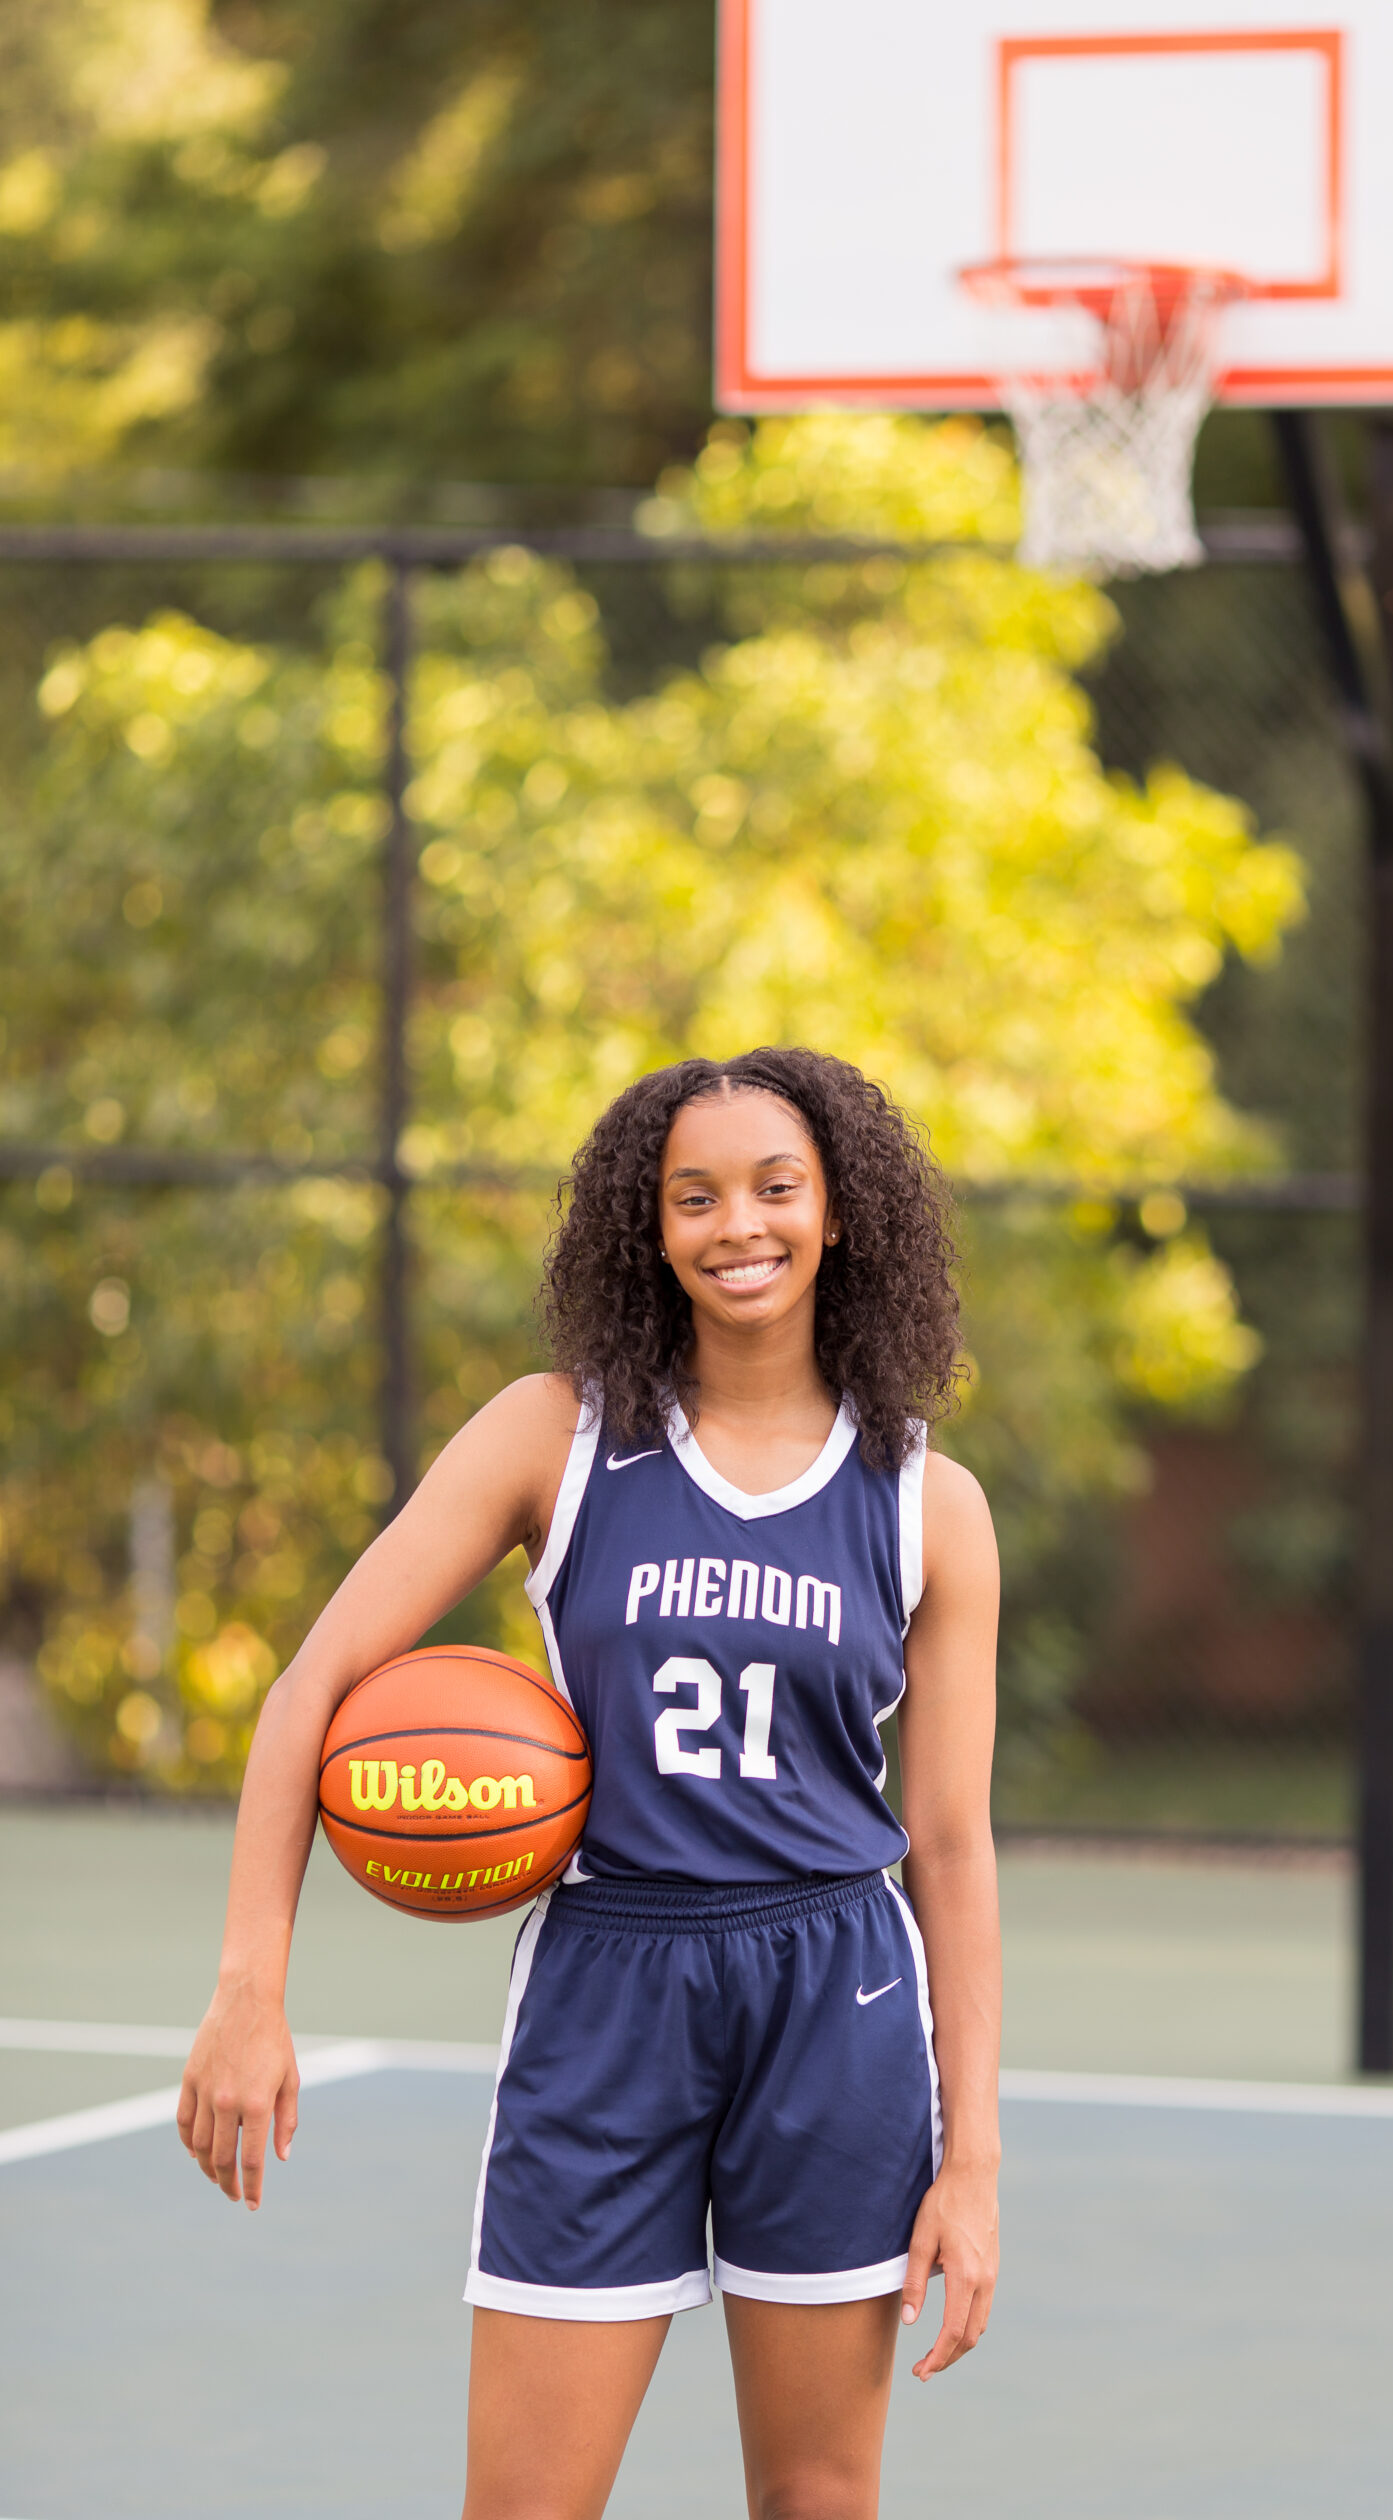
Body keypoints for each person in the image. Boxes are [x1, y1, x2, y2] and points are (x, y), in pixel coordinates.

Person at [177, 1046, 1002, 2520]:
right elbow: (310, 1693)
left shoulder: (924, 1502)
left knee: (819, 2496)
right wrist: (252, 1984)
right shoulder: (554, 1436)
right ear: (650, 1225)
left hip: (841, 1995)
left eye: (774, 1189)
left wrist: (976, 2160)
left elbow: (948, 1841)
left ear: (839, 1215)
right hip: (612, 1980)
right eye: (695, 1197)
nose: (736, 1225)